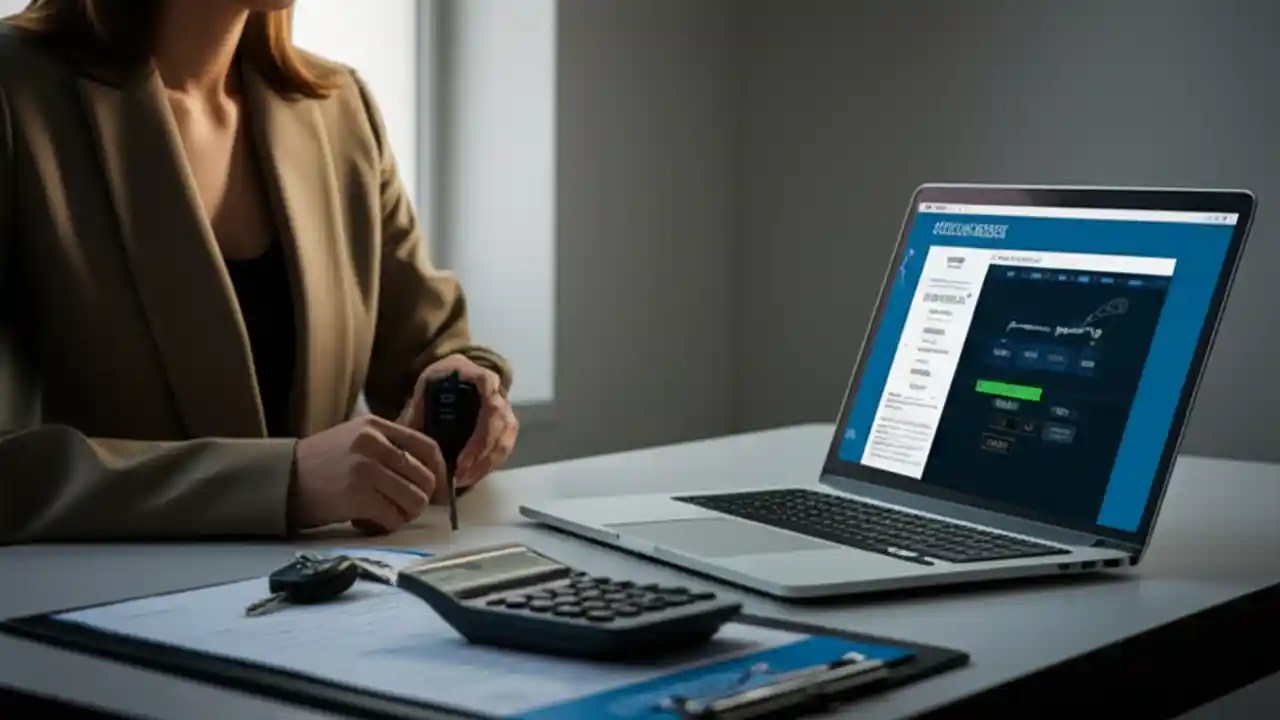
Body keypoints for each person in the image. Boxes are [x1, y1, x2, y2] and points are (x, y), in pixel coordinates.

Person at [0, 0, 519, 543]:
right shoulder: (17, 92)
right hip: (79, 611)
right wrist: (284, 482)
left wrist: (463, 396)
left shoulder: (338, 108)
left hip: (331, 606)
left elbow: (428, 352)